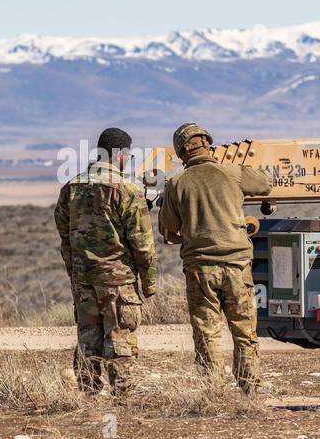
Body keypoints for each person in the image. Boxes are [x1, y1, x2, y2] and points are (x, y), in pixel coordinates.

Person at [159, 122, 272, 393]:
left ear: (182, 151)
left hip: (200, 269)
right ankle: (250, 389)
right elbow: (265, 183)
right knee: (244, 331)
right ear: (207, 143)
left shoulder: (176, 184)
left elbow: (168, 228)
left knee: (206, 331)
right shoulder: (232, 173)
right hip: (236, 266)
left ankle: (213, 390)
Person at [54, 127, 157, 395]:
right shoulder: (127, 191)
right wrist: (150, 284)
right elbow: (142, 244)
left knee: (89, 338)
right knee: (120, 338)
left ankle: (87, 397)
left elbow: (65, 238)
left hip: (84, 279)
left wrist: (74, 273)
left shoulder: (72, 188)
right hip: (118, 280)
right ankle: (123, 401)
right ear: (121, 155)